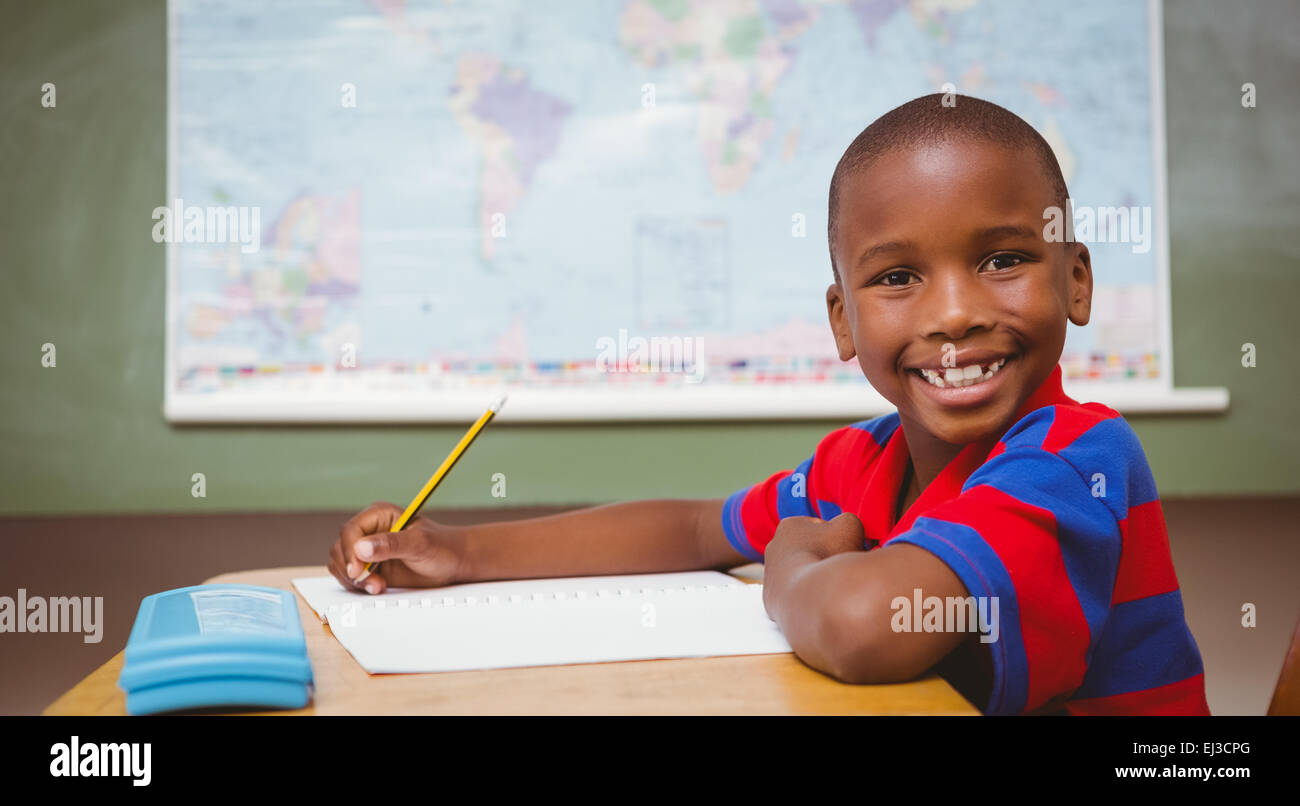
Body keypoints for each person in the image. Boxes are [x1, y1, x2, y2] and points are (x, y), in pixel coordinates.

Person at [327, 93, 1210, 715]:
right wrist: (461, 553)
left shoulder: (1074, 462)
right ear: (843, 319)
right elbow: (691, 530)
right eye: (898, 276)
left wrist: (790, 567)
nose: (954, 314)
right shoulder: (857, 466)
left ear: (1077, 279)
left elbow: (869, 626)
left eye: (1003, 259)